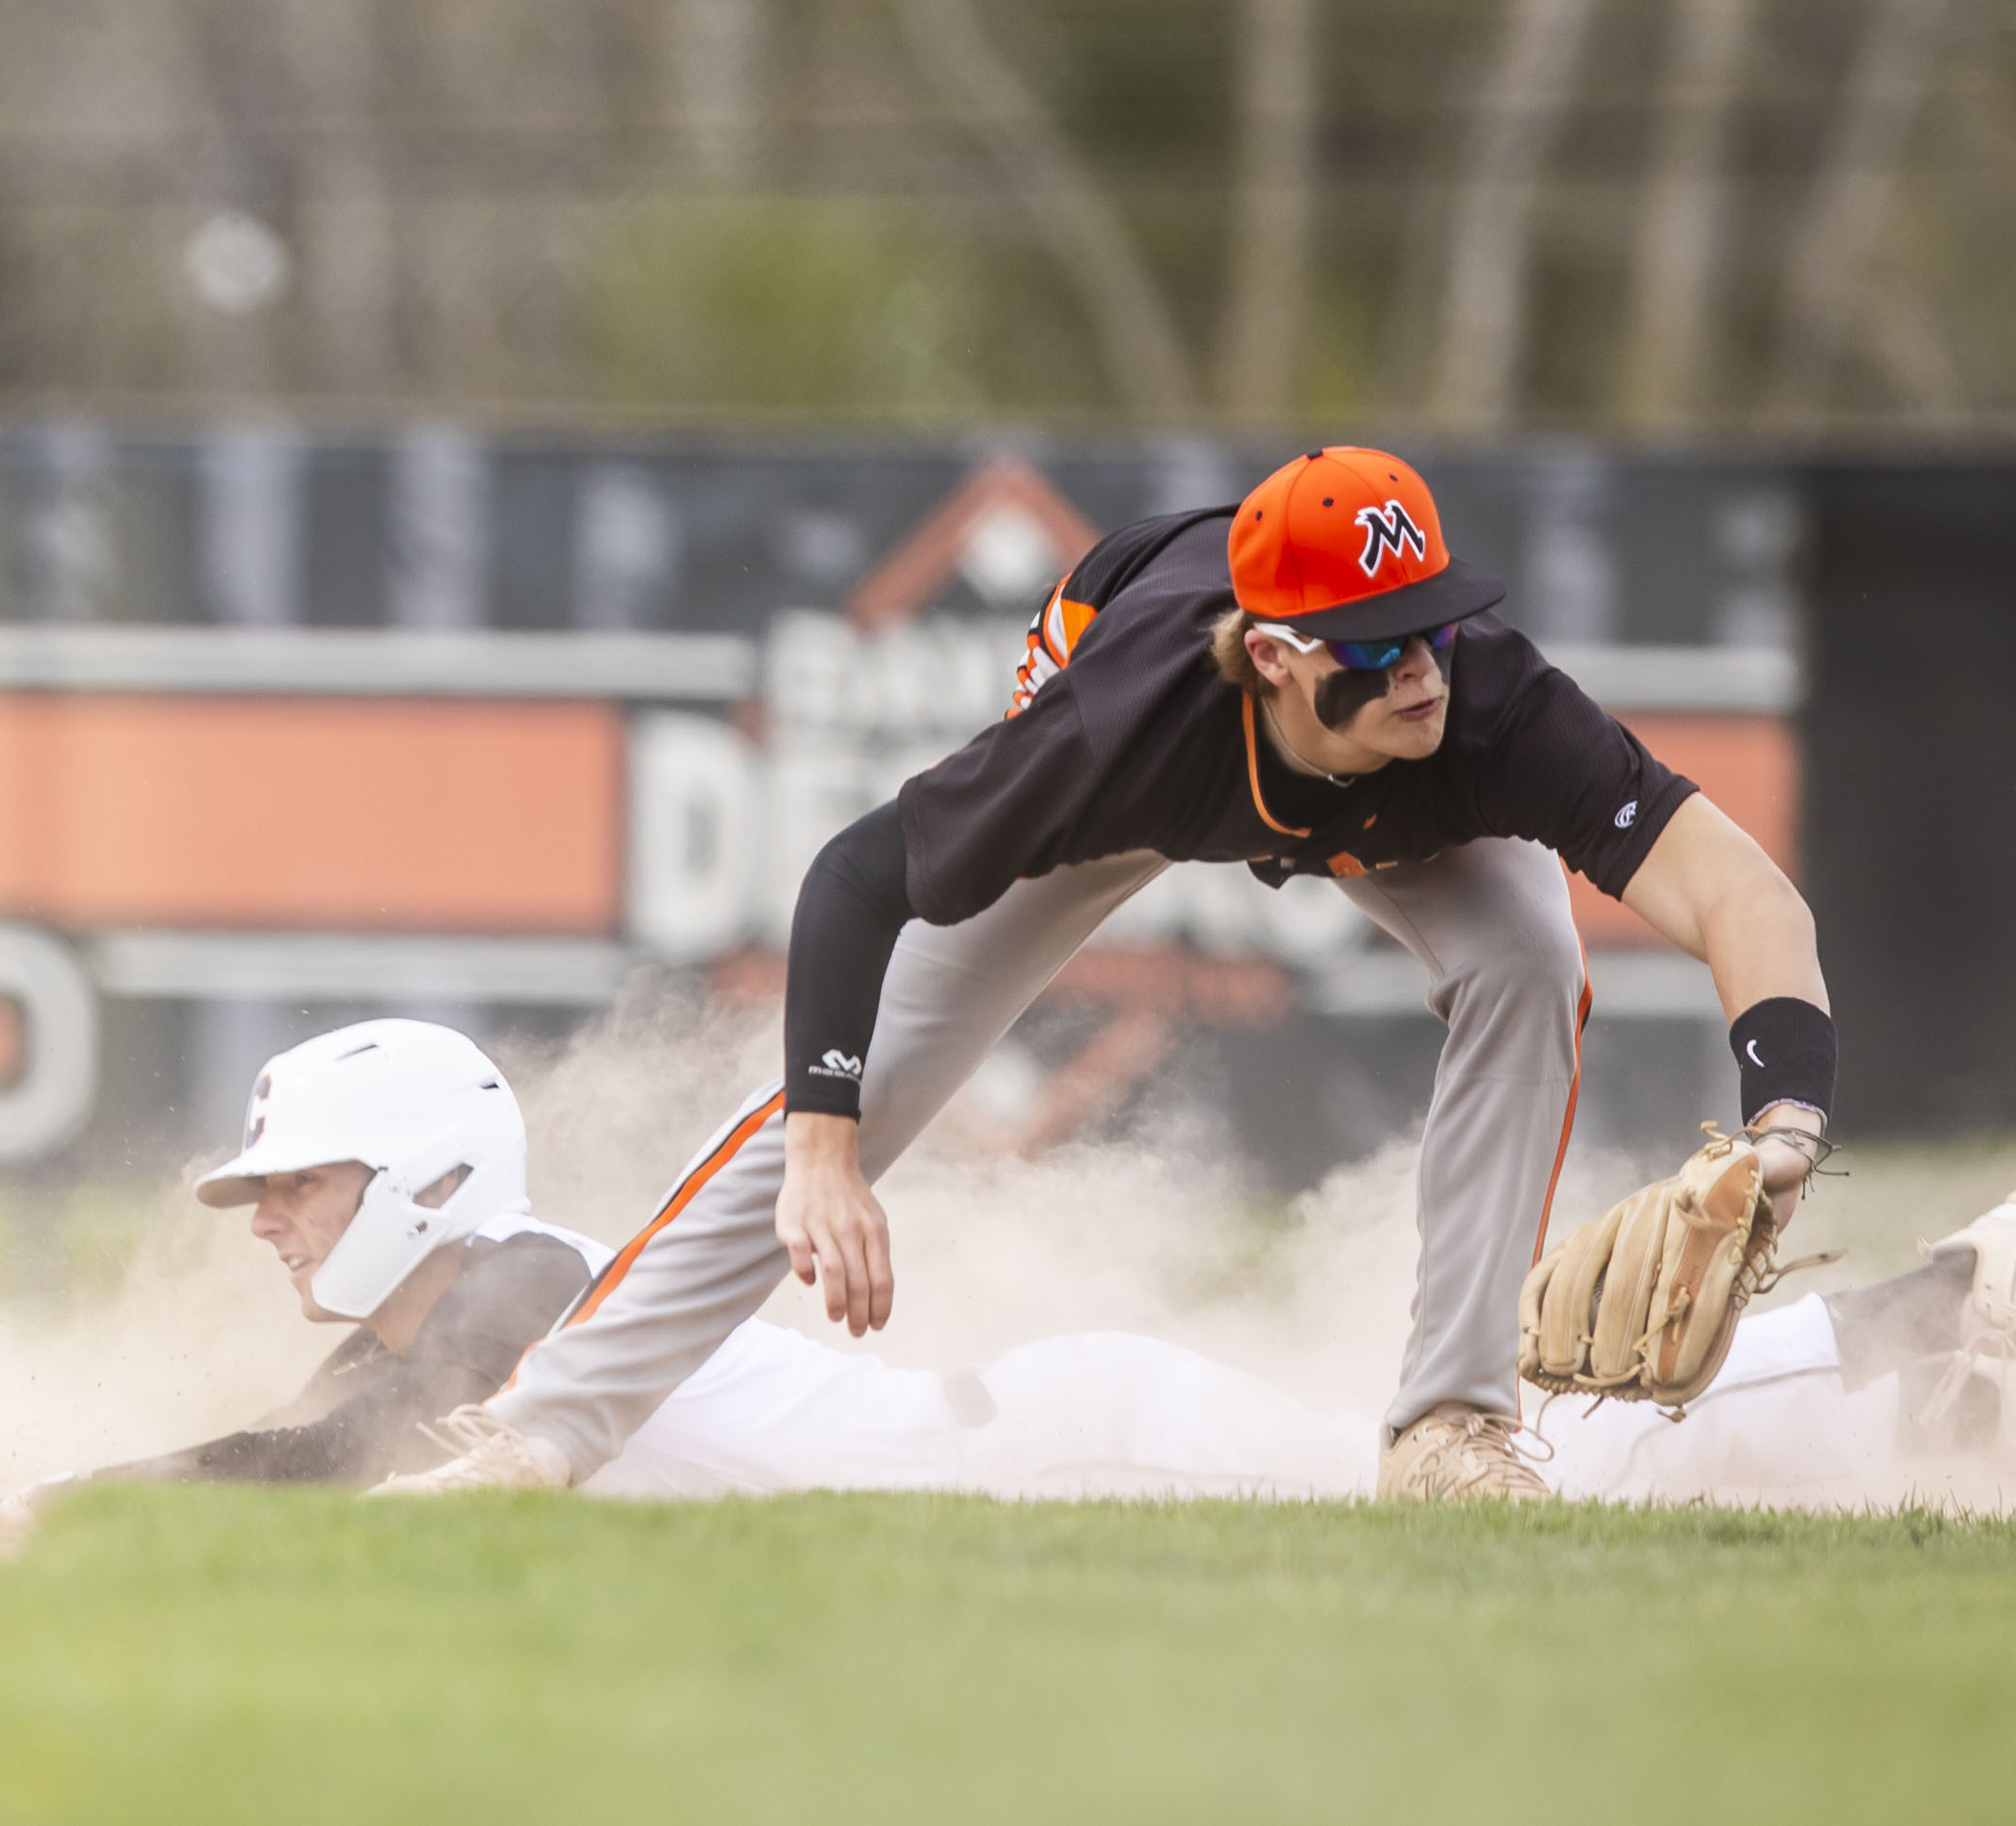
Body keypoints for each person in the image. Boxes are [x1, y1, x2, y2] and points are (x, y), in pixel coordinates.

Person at [382, 448, 1843, 1502]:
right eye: (1379, 646)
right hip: (1138, 719)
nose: (1424, 671)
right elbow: (852, 879)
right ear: (1272, 658)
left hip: (1376, 811)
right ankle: (540, 1430)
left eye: (1441, 622)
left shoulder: (1482, 708)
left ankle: (1450, 1432)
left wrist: (1784, 1127)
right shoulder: (1110, 735)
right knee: (868, 1078)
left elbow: (1741, 893)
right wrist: (826, 1154)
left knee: (1530, 948)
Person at [72, 1019, 2016, 1508]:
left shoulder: (515, 1290)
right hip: (1053, 1430)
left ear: (426, 1175)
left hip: (1089, 1442)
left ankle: (1953, 1297)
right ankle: (1954, 1404)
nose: (267, 1215)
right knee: (1537, 1481)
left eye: (300, 1183)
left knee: (1539, 1491)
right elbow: (321, 1439)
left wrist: (15, 1509)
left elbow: (307, 1467)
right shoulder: (486, 1294)